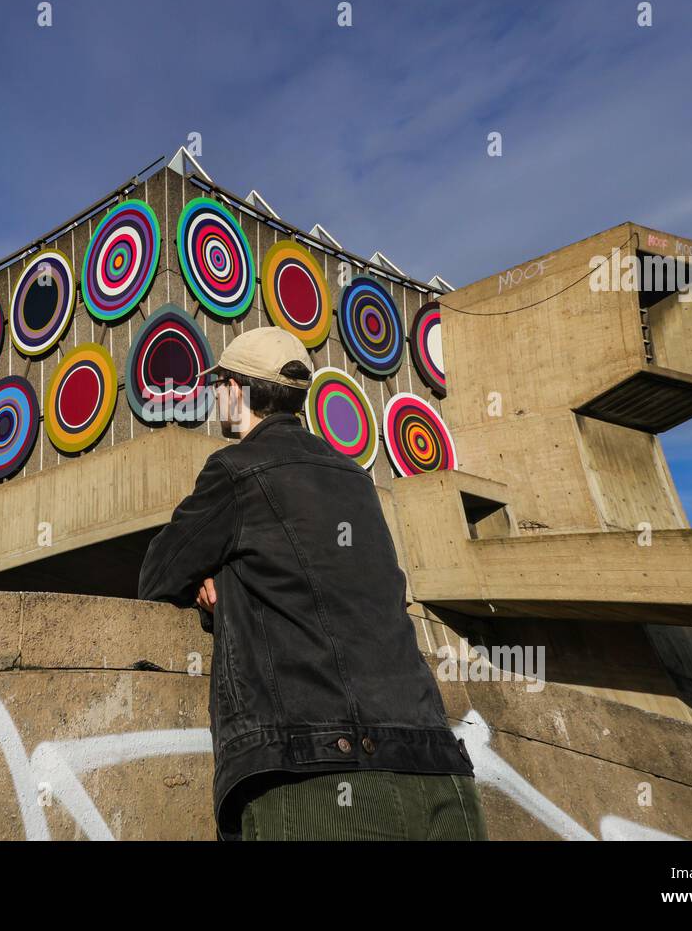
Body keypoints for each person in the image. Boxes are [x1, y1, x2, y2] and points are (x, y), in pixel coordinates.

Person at [137, 325, 488, 841]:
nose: (215, 397)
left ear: (236, 390)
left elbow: (157, 574)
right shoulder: (355, 478)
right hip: (437, 766)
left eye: (220, 386)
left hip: (320, 776)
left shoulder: (235, 470)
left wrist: (211, 579)